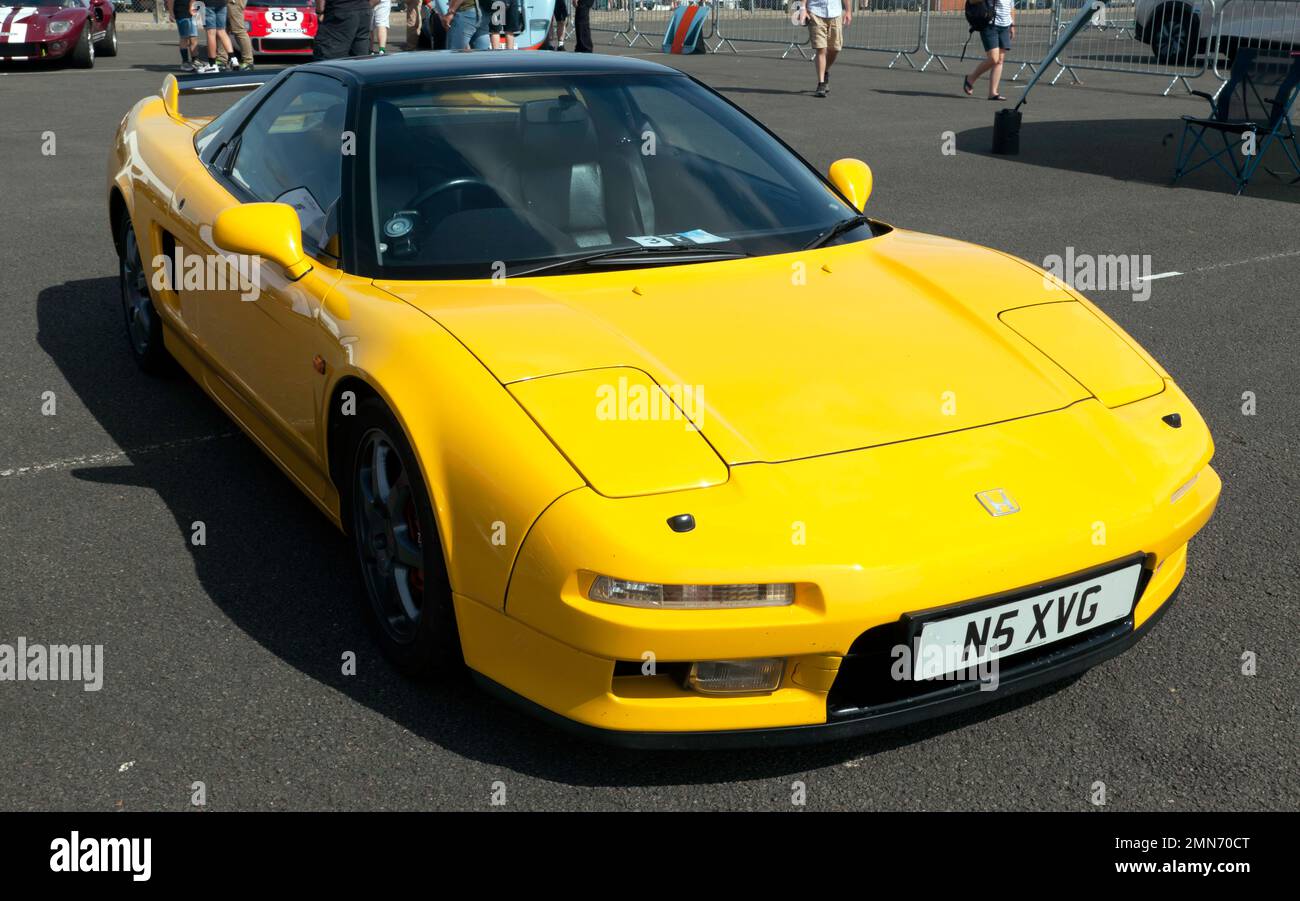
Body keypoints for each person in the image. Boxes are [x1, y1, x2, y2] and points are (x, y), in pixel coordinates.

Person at [963, 0, 1014, 101]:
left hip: (1005, 25)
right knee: (993, 59)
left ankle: (993, 93)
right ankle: (971, 78)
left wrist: (1012, 25)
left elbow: (1011, 7)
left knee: (1000, 60)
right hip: (990, 24)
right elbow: (972, 1)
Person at [799, 0, 851, 98]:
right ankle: (821, 83)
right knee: (821, 49)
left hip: (835, 13)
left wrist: (848, 11)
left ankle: (825, 71)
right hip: (815, 11)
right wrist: (803, 8)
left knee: (835, 49)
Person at [199, 0, 239, 72]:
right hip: (222, 3)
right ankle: (233, 59)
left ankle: (212, 64)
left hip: (208, 4)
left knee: (211, 33)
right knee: (222, 31)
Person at [217, 0, 255, 69]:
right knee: (222, 29)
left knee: (239, 31)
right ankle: (222, 60)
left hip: (234, 2)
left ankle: (248, 62)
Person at [169, 0, 200, 71]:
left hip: (192, 12)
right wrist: (171, 13)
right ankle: (185, 62)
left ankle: (195, 60)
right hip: (181, 12)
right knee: (184, 37)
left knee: (193, 37)